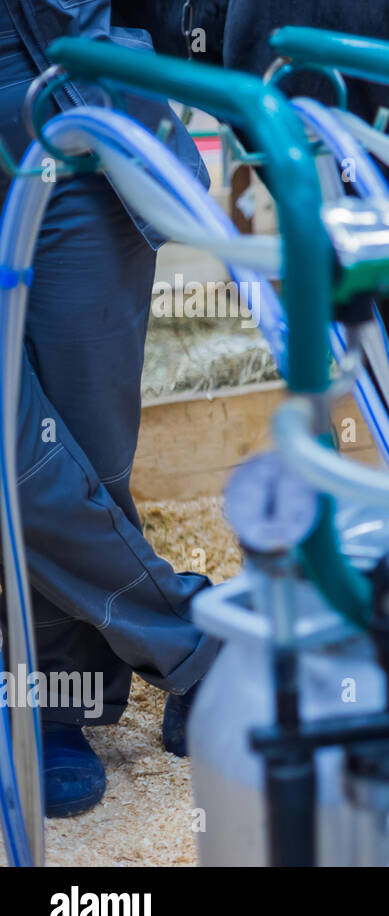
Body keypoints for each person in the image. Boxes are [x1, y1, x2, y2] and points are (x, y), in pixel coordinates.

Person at [0, 0, 218, 816]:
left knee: (88, 444)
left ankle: (60, 696)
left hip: (75, 111)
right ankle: (198, 641)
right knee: (18, 459)